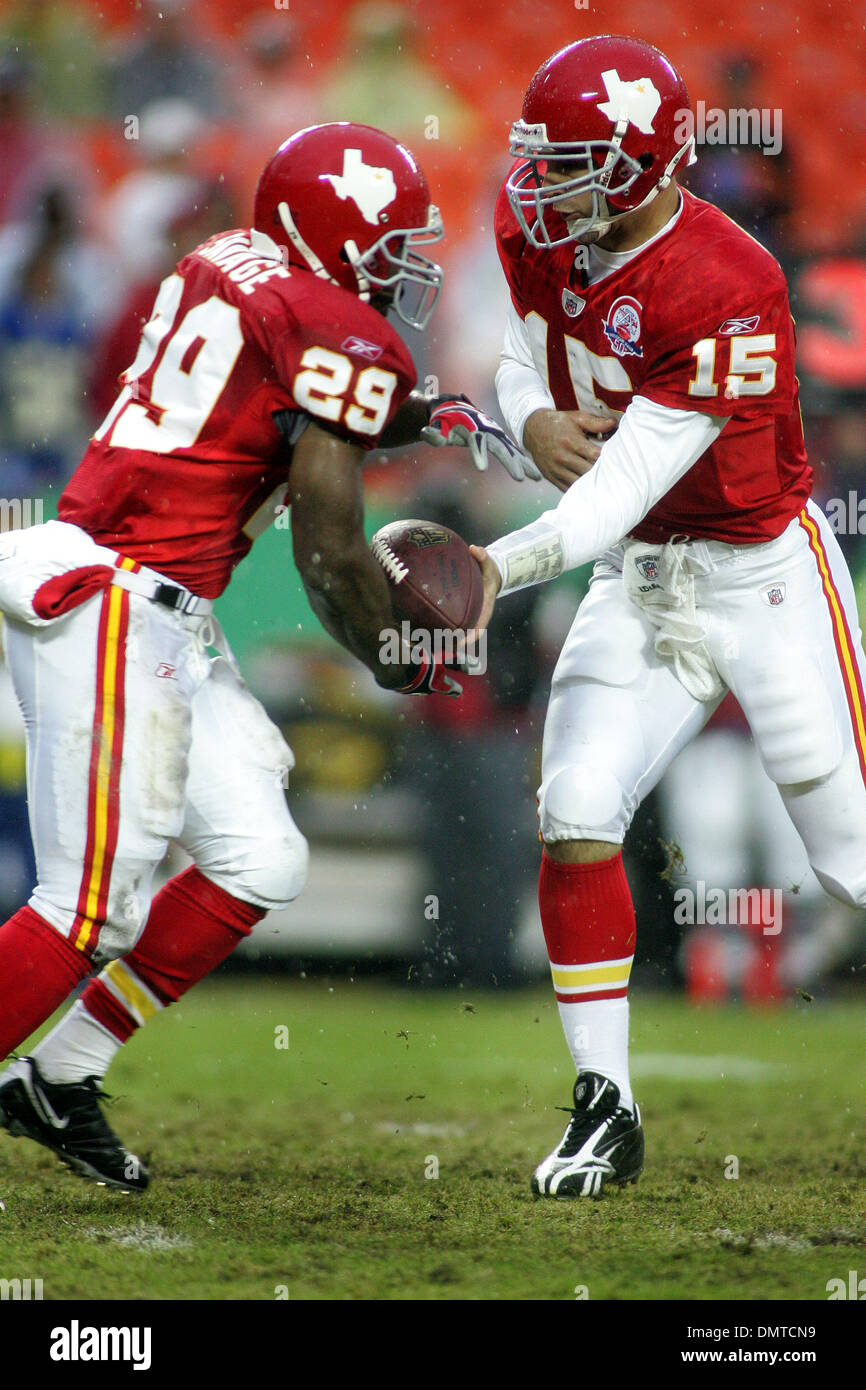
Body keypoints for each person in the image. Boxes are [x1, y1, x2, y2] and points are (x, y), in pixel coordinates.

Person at [0, 122, 534, 1192]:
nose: (403, 267)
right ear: (330, 238)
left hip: (156, 607)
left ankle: (56, 1078)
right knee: (92, 902)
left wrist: (432, 411)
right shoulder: (334, 324)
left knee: (261, 859)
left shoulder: (233, 263)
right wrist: (397, 648)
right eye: (387, 244)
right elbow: (330, 543)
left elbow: (281, 404)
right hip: (116, 608)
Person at [470, 35, 866, 1197]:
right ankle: (604, 1107)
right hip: (640, 577)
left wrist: (490, 569)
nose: (543, 187)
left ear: (643, 166)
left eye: (574, 163)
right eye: (541, 161)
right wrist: (530, 411)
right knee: (576, 805)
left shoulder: (727, 281)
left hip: (759, 580)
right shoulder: (539, 224)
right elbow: (517, 355)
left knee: (849, 862)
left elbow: (613, 492)